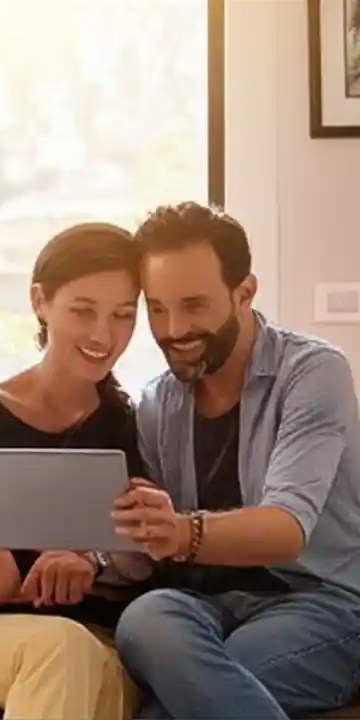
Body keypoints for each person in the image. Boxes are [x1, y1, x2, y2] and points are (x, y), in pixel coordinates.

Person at [110, 201, 360, 719]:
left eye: (194, 305)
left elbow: (286, 528)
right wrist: (88, 555)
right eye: (157, 308)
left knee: (198, 685)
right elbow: (149, 542)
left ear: (244, 293)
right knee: (144, 620)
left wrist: (182, 532)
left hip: (325, 601)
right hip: (205, 605)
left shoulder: (313, 374)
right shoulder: (156, 404)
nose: (173, 329)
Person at [0, 222, 155, 720]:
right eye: (82, 310)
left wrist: (88, 559)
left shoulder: (125, 422)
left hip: (98, 640)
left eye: (122, 315)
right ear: (40, 302)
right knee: (63, 650)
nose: (104, 334)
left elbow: (141, 561)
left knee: (88, 661)